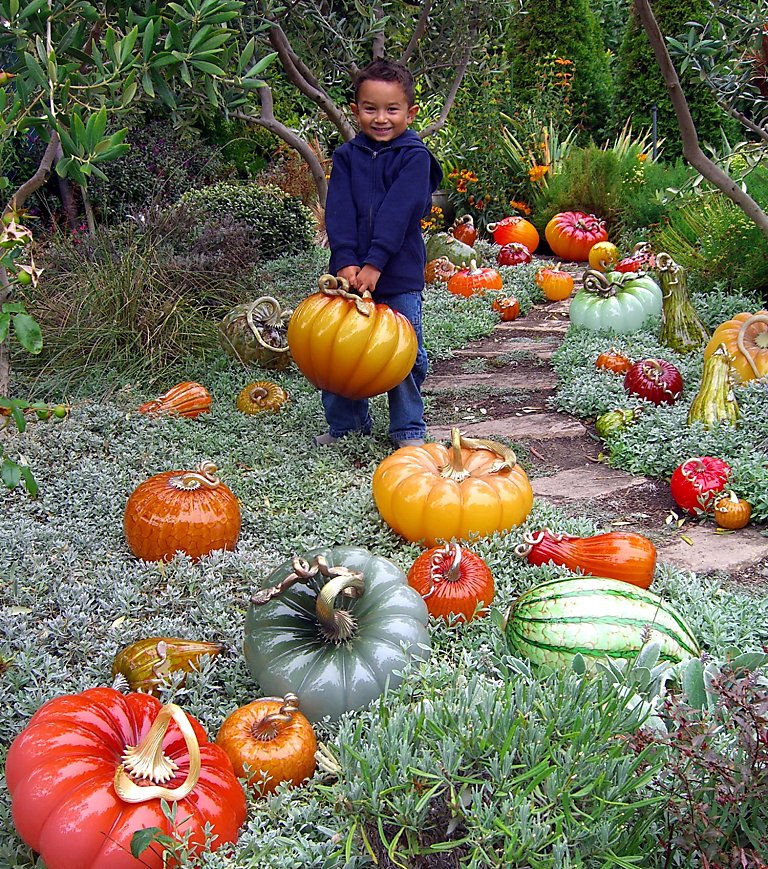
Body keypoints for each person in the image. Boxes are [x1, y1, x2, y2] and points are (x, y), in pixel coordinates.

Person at [316, 58, 443, 447]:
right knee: (338, 351)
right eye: (370, 109)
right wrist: (348, 262)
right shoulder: (347, 158)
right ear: (355, 111)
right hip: (349, 277)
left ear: (411, 112)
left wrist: (374, 264)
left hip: (398, 275)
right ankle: (347, 426)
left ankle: (407, 428)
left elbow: (398, 214)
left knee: (402, 355)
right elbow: (339, 215)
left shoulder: (414, 157)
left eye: (392, 109)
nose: (381, 118)